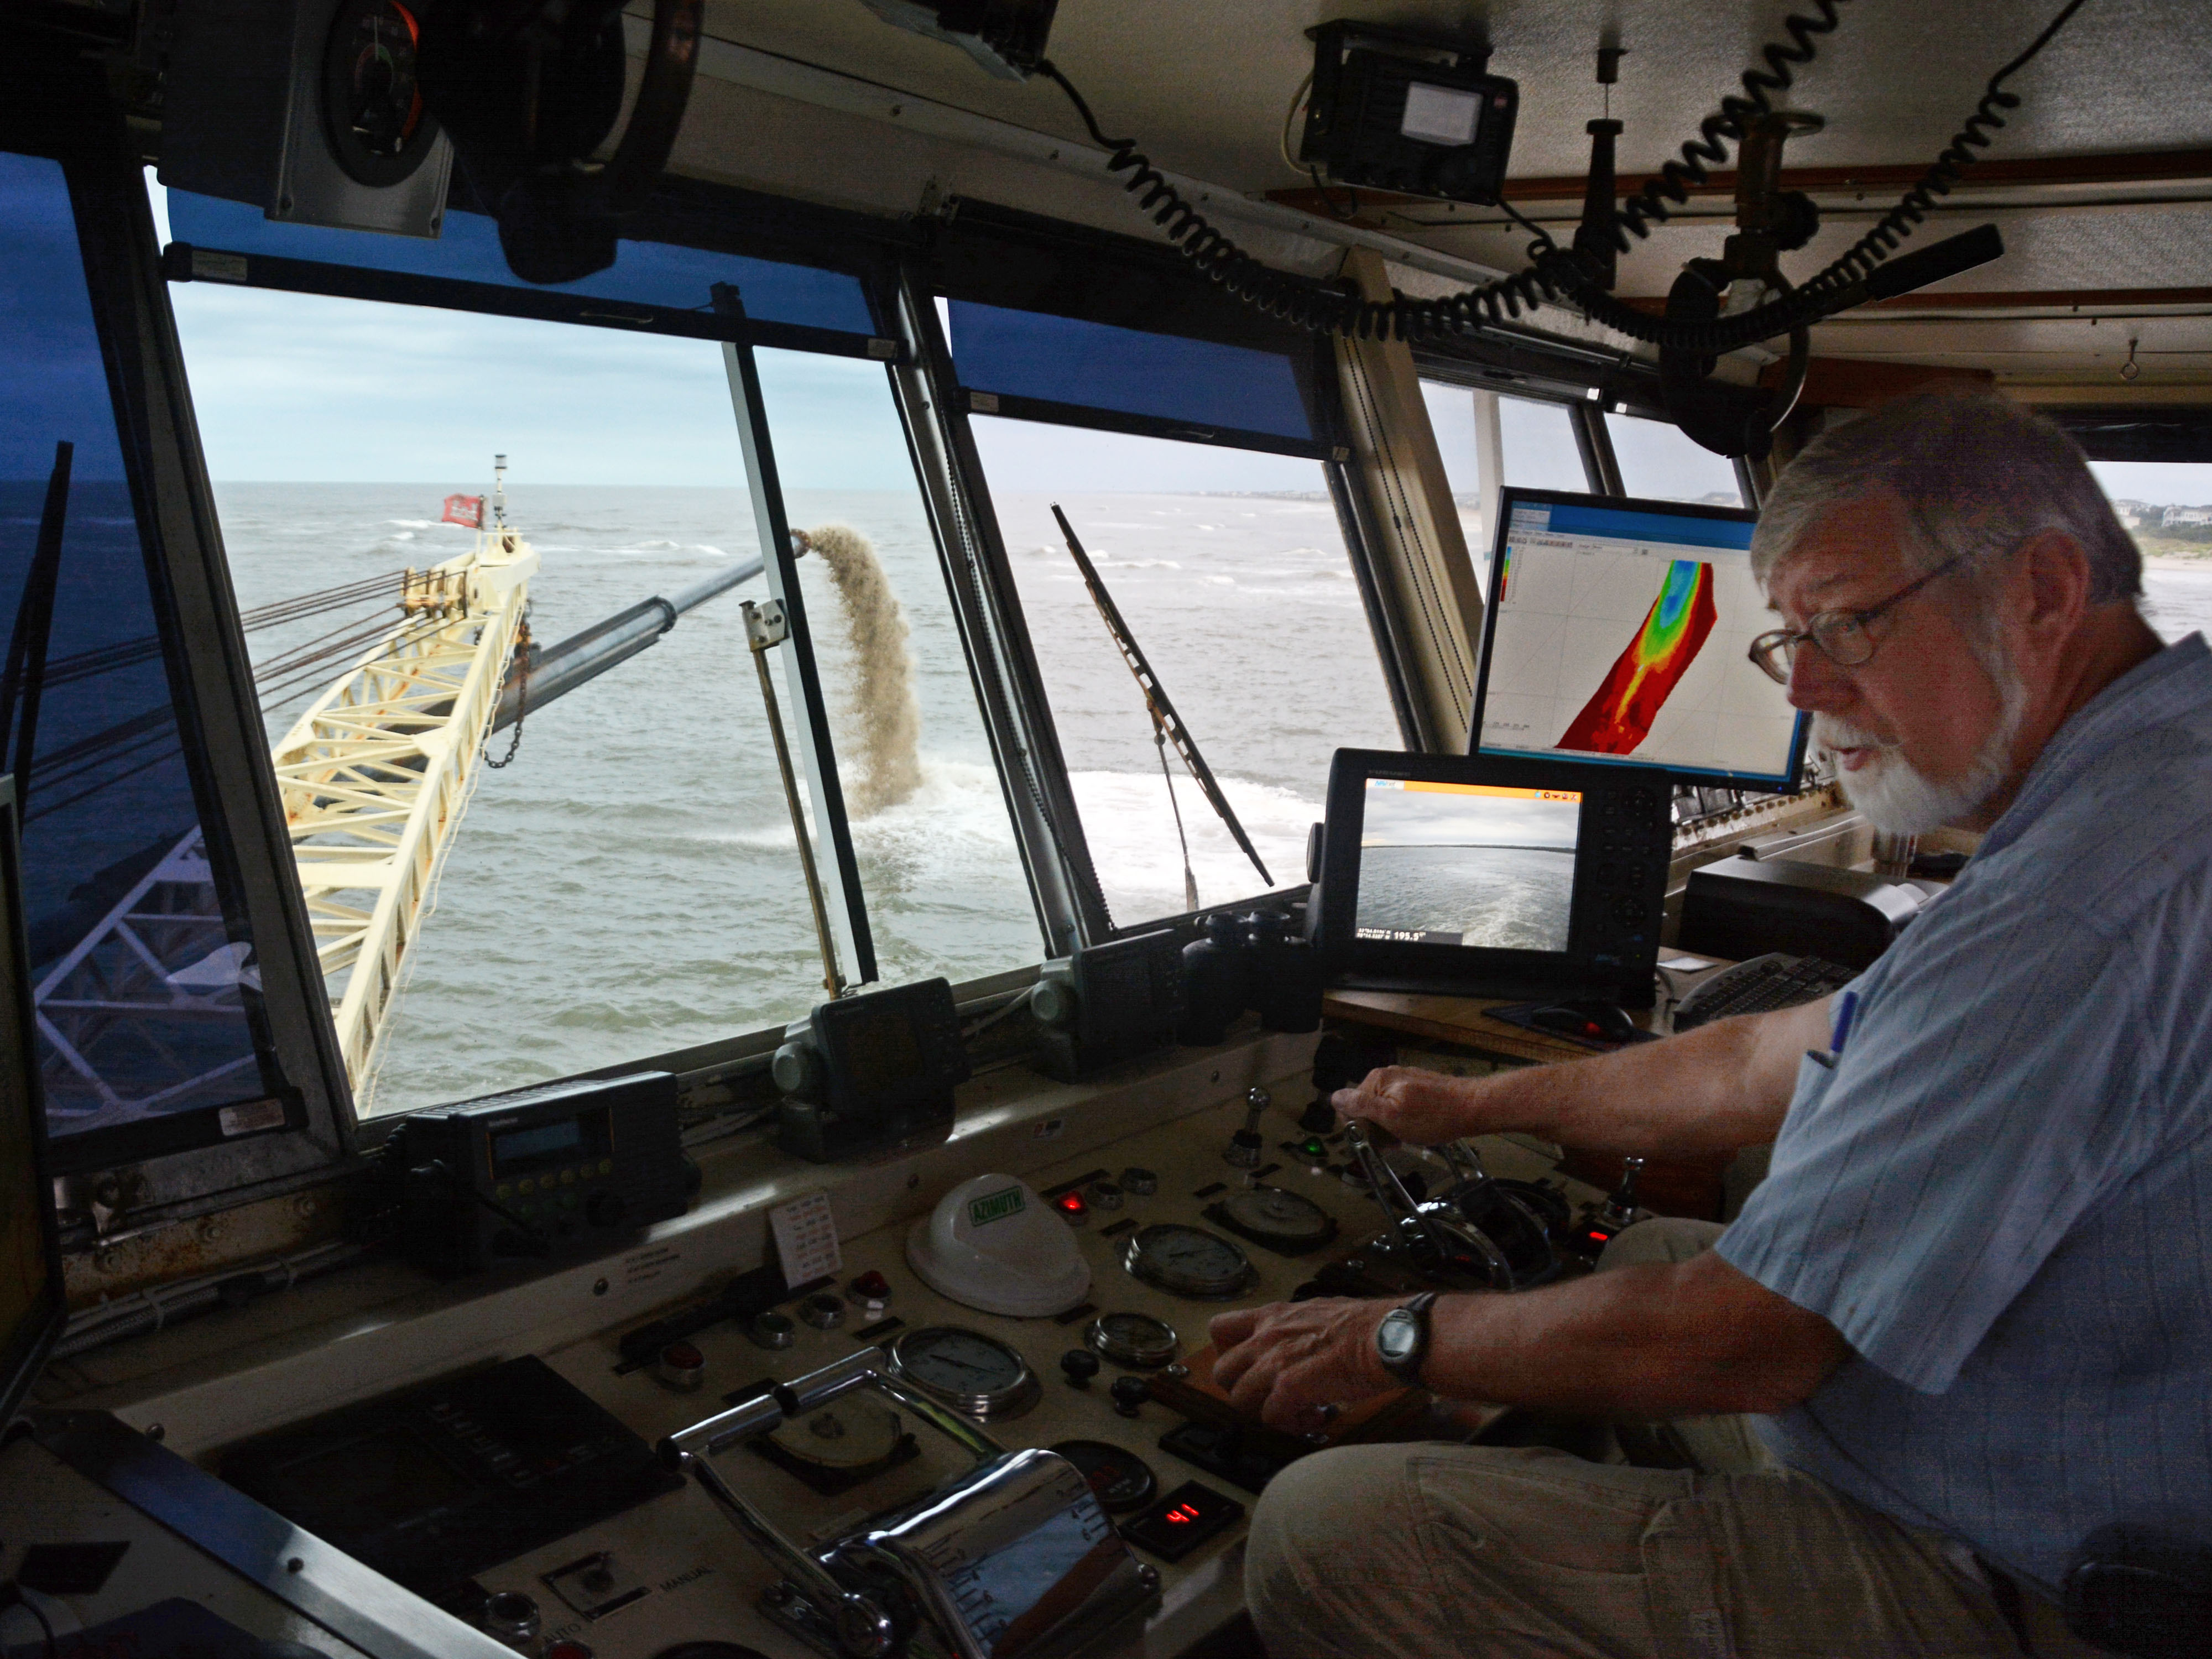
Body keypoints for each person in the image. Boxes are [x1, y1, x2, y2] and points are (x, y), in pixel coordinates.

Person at [1213, 393, 2210, 1658]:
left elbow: (1745, 1339)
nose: (1801, 685)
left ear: (2044, 589)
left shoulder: (2066, 913)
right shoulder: (2158, 769)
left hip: (2040, 1582)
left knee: (1329, 1527)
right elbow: (1761, 1053)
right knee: (1645, 1255)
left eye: (1844, 621)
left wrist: (1393, 1335)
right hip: (2071, 1431)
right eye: (1784, 638)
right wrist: (1473, 1104)